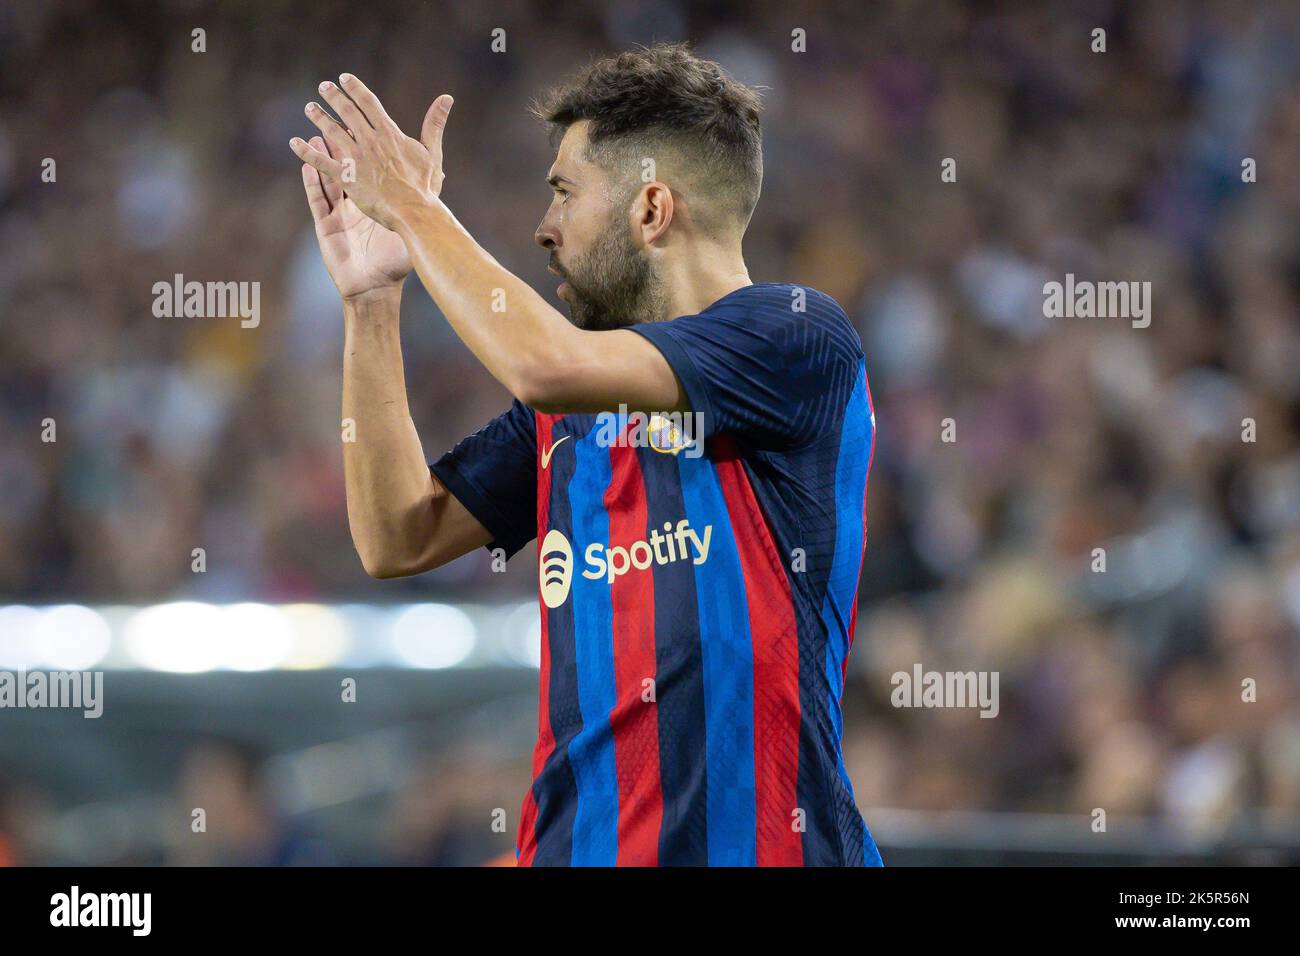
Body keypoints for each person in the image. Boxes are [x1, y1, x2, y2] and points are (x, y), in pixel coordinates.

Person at [291, 42, 881, 866]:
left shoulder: (795, 335)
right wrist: (373, 298)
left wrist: (418, 213)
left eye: (564, 192)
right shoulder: (572, 408)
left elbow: (545, 364)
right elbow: (398, 535)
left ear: (650, 210)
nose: (544, 228)